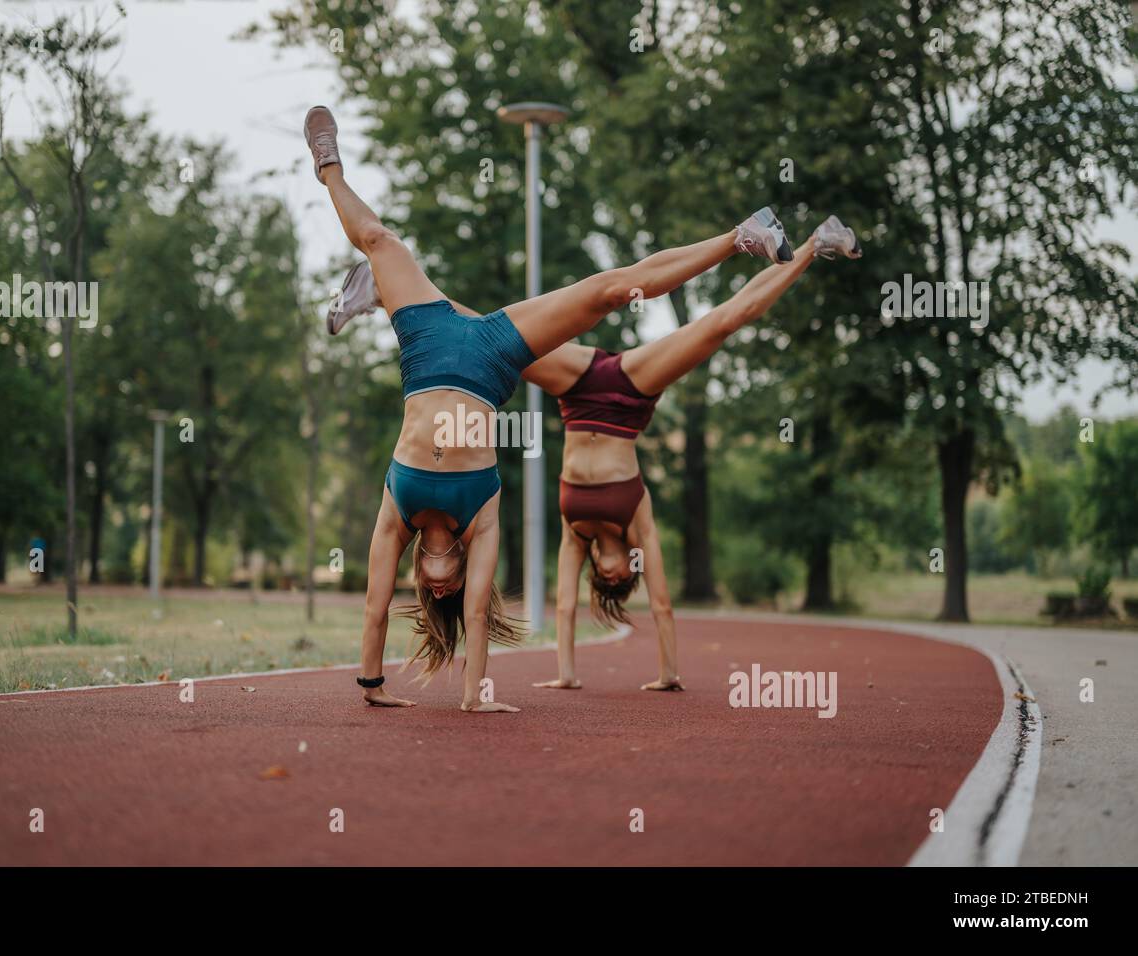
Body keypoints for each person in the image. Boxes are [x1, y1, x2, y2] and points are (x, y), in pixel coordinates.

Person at [306, 105, 792, 711]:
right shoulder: (479, 516)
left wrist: (372, 688)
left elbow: (375, 608)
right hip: (491, 358)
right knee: (611, 291)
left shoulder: (395, 514)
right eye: (448, 576)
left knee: (380, 240)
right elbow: (478, 619)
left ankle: (329, 170)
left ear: (420, 579)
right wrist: (475, 699)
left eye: (431, 573)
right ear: (456, 580)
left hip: (427, 344)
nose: (441, 568)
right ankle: (740, 237)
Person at [327, 207, 862, 693]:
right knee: (714, 323)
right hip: (625, 391)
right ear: (627, 569)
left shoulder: (578, 530)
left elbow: (570, 603)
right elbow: (651, 604)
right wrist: (621, 675)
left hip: (582, 387)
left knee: (486, 338)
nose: (607, 575)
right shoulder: (633, 520)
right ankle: (803, 240)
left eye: (603, 580)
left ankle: (802, 243)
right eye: (616, 577)